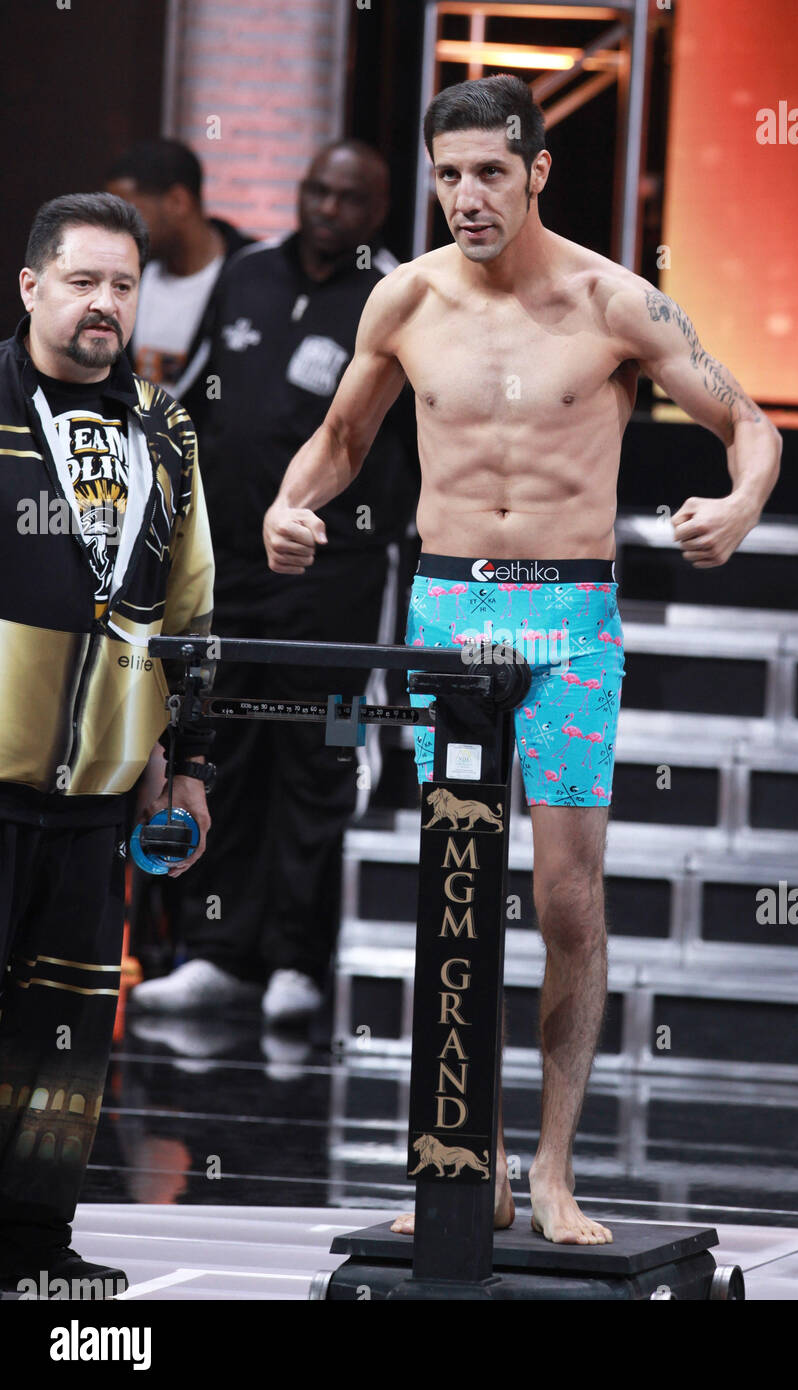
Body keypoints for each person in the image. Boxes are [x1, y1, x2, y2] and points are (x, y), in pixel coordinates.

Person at [264, 75, 781, 1244]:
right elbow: (342, 438)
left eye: (490, 171)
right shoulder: (404, 298)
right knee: (455, 893)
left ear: (538, 170)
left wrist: (743, 504)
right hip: (449, 616)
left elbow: (752, 423)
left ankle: (552, 1167)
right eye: (449, 175)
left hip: (569, 626)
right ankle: (466, 1164)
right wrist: (289, 509)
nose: (467, 196)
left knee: (564, 899)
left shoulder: (615, 300)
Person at [131, 141, 418, 1025]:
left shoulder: (399, 291)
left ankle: (297, 961)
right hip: (229, 563)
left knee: (317, 756)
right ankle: (218, 952)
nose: (326, 207)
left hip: (335, 569)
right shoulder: (248, 271)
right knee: (218, 748)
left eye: (349, 197)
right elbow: (194, 390)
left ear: (377, 210)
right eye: (315, 189)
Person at [0, 192, 214, 1294]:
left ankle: (34, 1250)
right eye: (82, 281)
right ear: (31, 285)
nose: (104, 304)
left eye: (123, 285)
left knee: (66, 1047)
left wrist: (187, 766)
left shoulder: (164, 427)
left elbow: (190, 611)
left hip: (98, 801)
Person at [106, 137, 253, 419]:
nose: (119, 229)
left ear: (177, 201)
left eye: (130, 213)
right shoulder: (124, 274)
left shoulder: (250, 275)